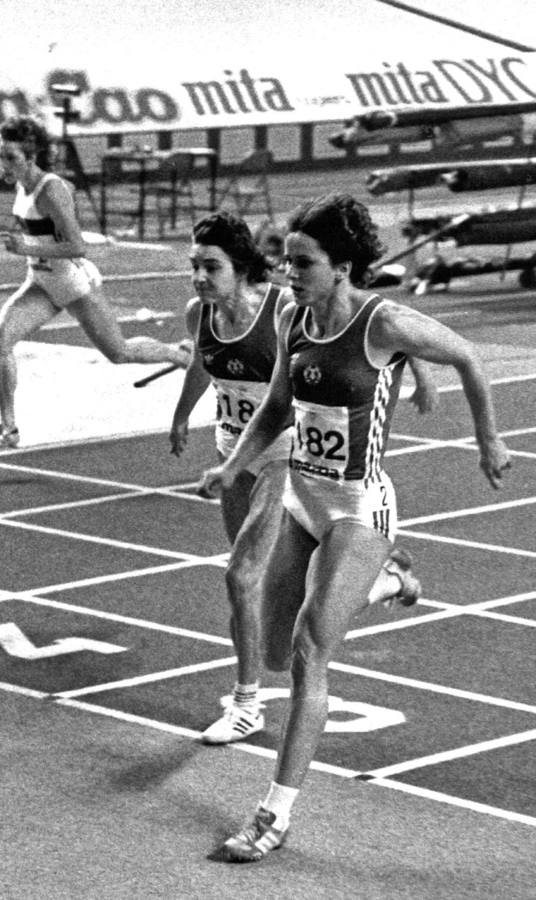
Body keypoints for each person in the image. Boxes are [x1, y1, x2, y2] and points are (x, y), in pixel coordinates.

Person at [196, 194, 510, 862]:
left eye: (303, 263)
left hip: (359, 507)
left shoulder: (382, 322)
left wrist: (489, 440)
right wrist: (231, 466)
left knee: (311, 648)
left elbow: (467, 357)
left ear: (342, 266)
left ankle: (273, 815)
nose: (289, 273)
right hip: (302, 500)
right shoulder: (295, 320)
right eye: (286, 260)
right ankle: (387, 581)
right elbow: (277, 406)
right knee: (275, 648)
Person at [170, 212, 436, 747]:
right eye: (194, 265)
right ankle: (383, 578)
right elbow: (202, 362)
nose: (199, 277)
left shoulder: (282, 309)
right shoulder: (198, 313)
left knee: (240, 575)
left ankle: (246, 705)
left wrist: (422, 377)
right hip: (234, 449)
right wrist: (181, 414)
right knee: (259, 597)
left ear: (240, 266)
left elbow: (383, 335)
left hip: (285, 453)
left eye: (211, 267)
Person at [0, 115, 192, 455]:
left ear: (32, 157)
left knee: (119, 352)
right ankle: (9, 427)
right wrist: (28, 239)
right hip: (41, 282)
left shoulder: (50, 190)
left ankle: (179, 354)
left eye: (10, 157)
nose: (3, 162)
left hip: (73, 283)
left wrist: (26, 248)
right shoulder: (23, 186)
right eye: (0, 155)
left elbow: (78, 247)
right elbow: (46, 223)